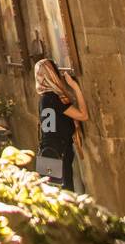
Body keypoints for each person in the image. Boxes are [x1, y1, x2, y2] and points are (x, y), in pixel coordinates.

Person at [35, 57, 88, 191]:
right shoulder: (54, 99)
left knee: (53, 194)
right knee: (65, 194)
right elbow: (83, 115)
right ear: (51, 75)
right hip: (59, 153)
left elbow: (50, 128)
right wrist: (75, 86)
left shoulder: (44, 99)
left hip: (47, 151)